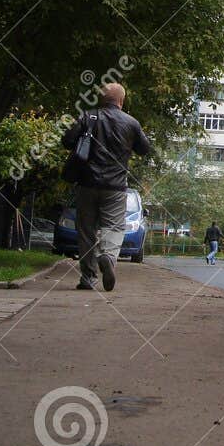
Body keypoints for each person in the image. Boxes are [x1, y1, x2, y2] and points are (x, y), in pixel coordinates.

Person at [62, 82, 153, 292]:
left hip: (87, 184)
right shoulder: (131, 123)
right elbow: (144, 149)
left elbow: (67, 141)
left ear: (102, 99)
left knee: (86, 231)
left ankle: (88, 278)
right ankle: (109, 256)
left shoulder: (87, 117)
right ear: (121, 101)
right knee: (114, 226)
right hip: (115, 186)